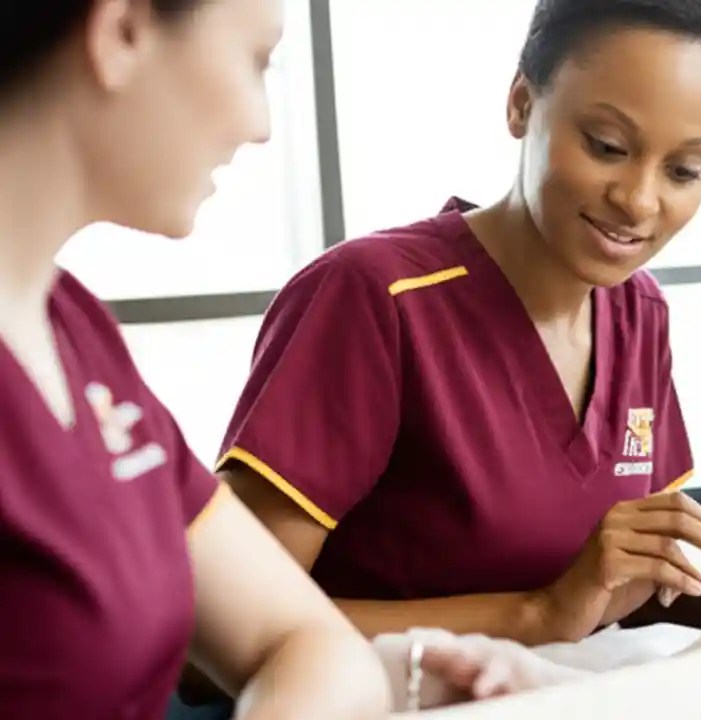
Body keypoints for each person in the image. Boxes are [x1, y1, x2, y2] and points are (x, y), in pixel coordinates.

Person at [215, 0, 701, 659]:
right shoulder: (377, 298)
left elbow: (618, 589)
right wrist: (537, 615)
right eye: (608, 147)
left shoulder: (639, 312)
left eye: (684, 171)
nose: (640, 201)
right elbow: (218, 629)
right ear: (522, 104)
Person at [0, 1, 577, 718]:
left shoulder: (73, 333)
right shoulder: (374, 288)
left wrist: (397, 671)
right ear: (121, 30)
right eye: (255, 61)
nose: (261, 125)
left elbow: (299, 634)